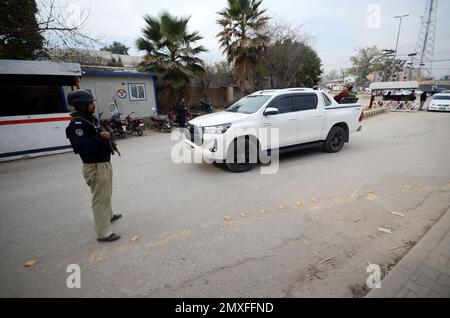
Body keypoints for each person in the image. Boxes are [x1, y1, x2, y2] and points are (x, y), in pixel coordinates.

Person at [66, 90, 122, 243]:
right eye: (90, 103)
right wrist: (99, 137)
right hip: (95, 166)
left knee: (106, 194)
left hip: (103, 163)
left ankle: (109, 216)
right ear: (81, 105)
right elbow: (80, 148)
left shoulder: (88, 119)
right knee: (100, 198)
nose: (93, 105)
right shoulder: (77, 124)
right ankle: (103, 233)